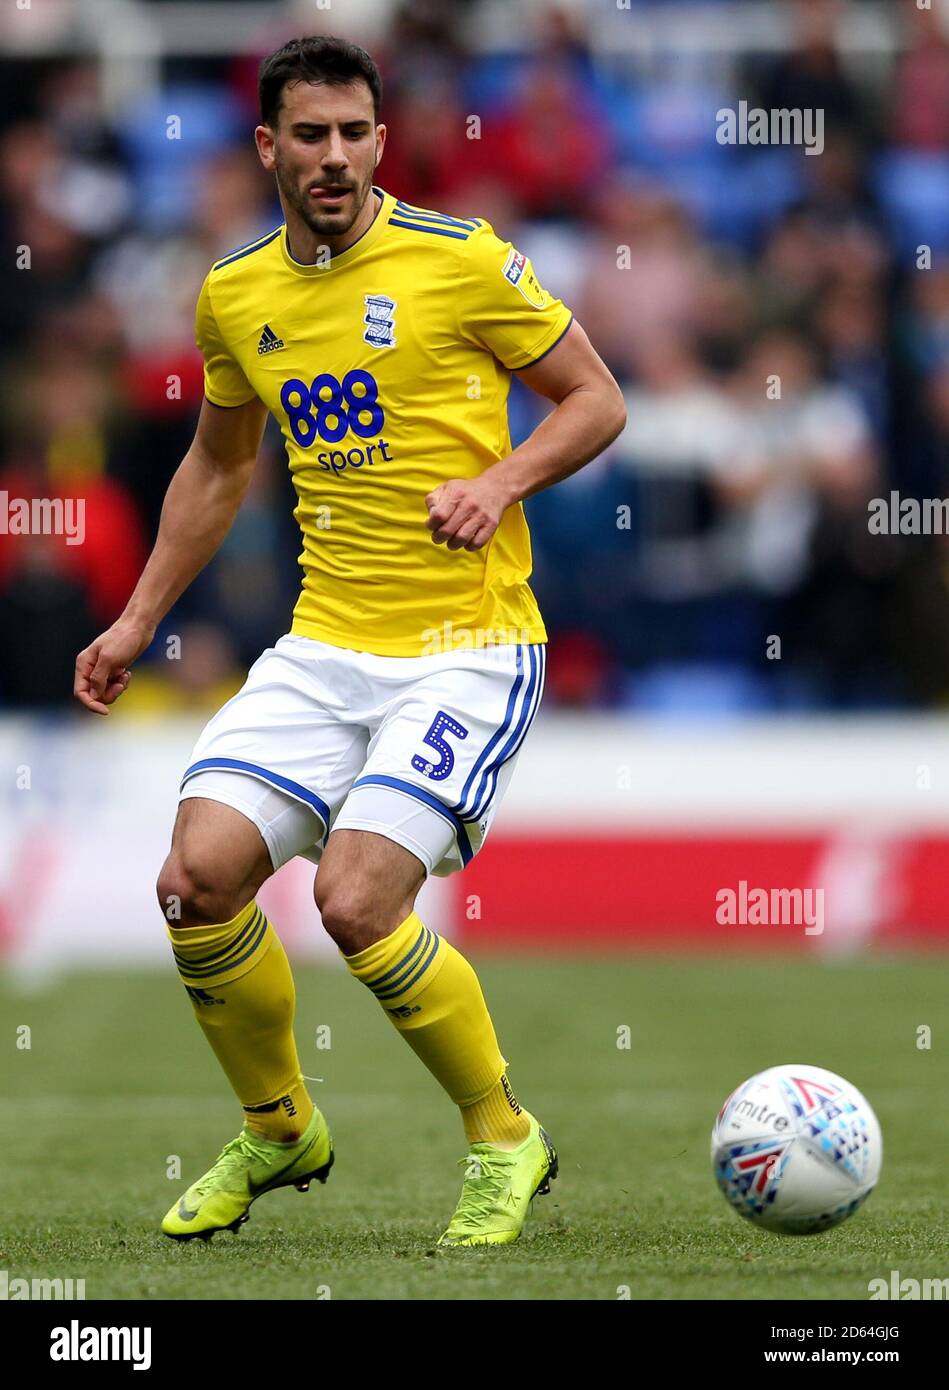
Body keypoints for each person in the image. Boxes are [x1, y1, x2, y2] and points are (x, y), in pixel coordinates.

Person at [74, 35, 626, 1247]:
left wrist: (502, 479)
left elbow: (596, 398)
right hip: (325, 644)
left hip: (467, 642)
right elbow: (219, 465)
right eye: (310, 135)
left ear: (383, 138)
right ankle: (279, 1129)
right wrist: (140, 616)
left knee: (356, 901)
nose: (335, 156)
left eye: (354, 132)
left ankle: (503, 1136)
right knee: (195, 878)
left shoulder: (461, 258)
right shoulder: (237, 292)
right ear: (268, 146)